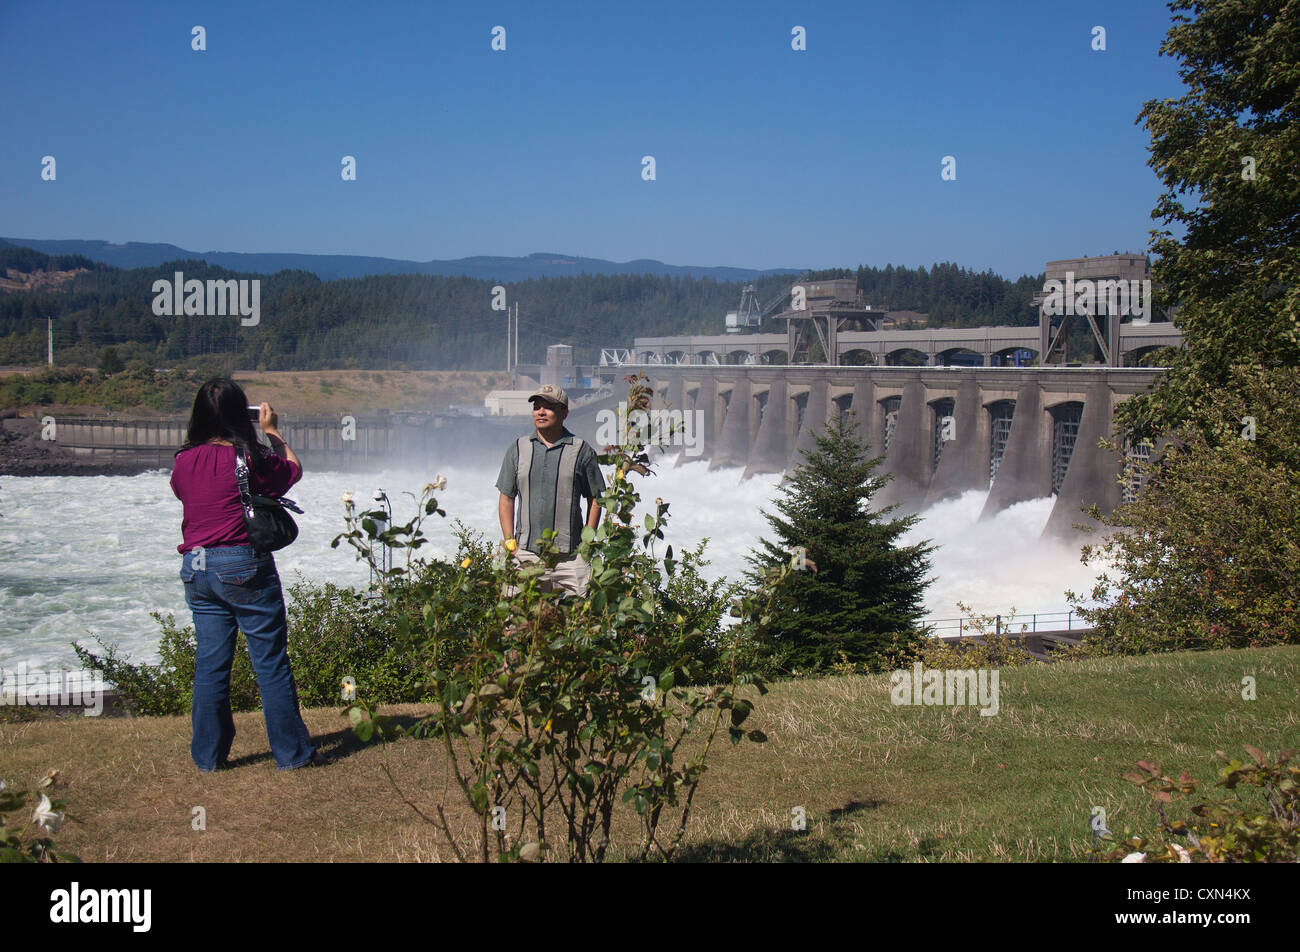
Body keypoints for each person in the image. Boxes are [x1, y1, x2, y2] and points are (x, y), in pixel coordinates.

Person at [169, 378, 330, 772]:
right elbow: (292, 470)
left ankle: (208, 758)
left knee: (210, 665)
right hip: (242, 565)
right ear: (242, 415)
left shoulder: (183, 461)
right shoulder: (248, 456)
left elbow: (184, 494)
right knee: (269, 662)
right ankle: (292, 755)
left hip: (197, 567)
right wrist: (272, 431)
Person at [496, 384, 606, 597]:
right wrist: (510, 544)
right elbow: (506, 498)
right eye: (537, 407)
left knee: (577, 624)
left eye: (549, 407)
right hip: (526, 555)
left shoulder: (581, 450)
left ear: (565, 413)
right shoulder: (518, 448)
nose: (541, 412)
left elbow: (595, 499)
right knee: (518, 624)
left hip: (570, 558)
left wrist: (587, 544)